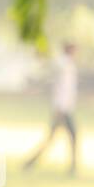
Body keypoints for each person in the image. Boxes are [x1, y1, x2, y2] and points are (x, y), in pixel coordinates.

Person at [24, 41, 79, 176]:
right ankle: (71, 167)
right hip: (62, 109)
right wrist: (59, 108)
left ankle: (31, 162)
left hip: (66, 108)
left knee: (57, 138)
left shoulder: (69, 65)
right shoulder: (63, 65)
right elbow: (60, 89)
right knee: (66, 136)